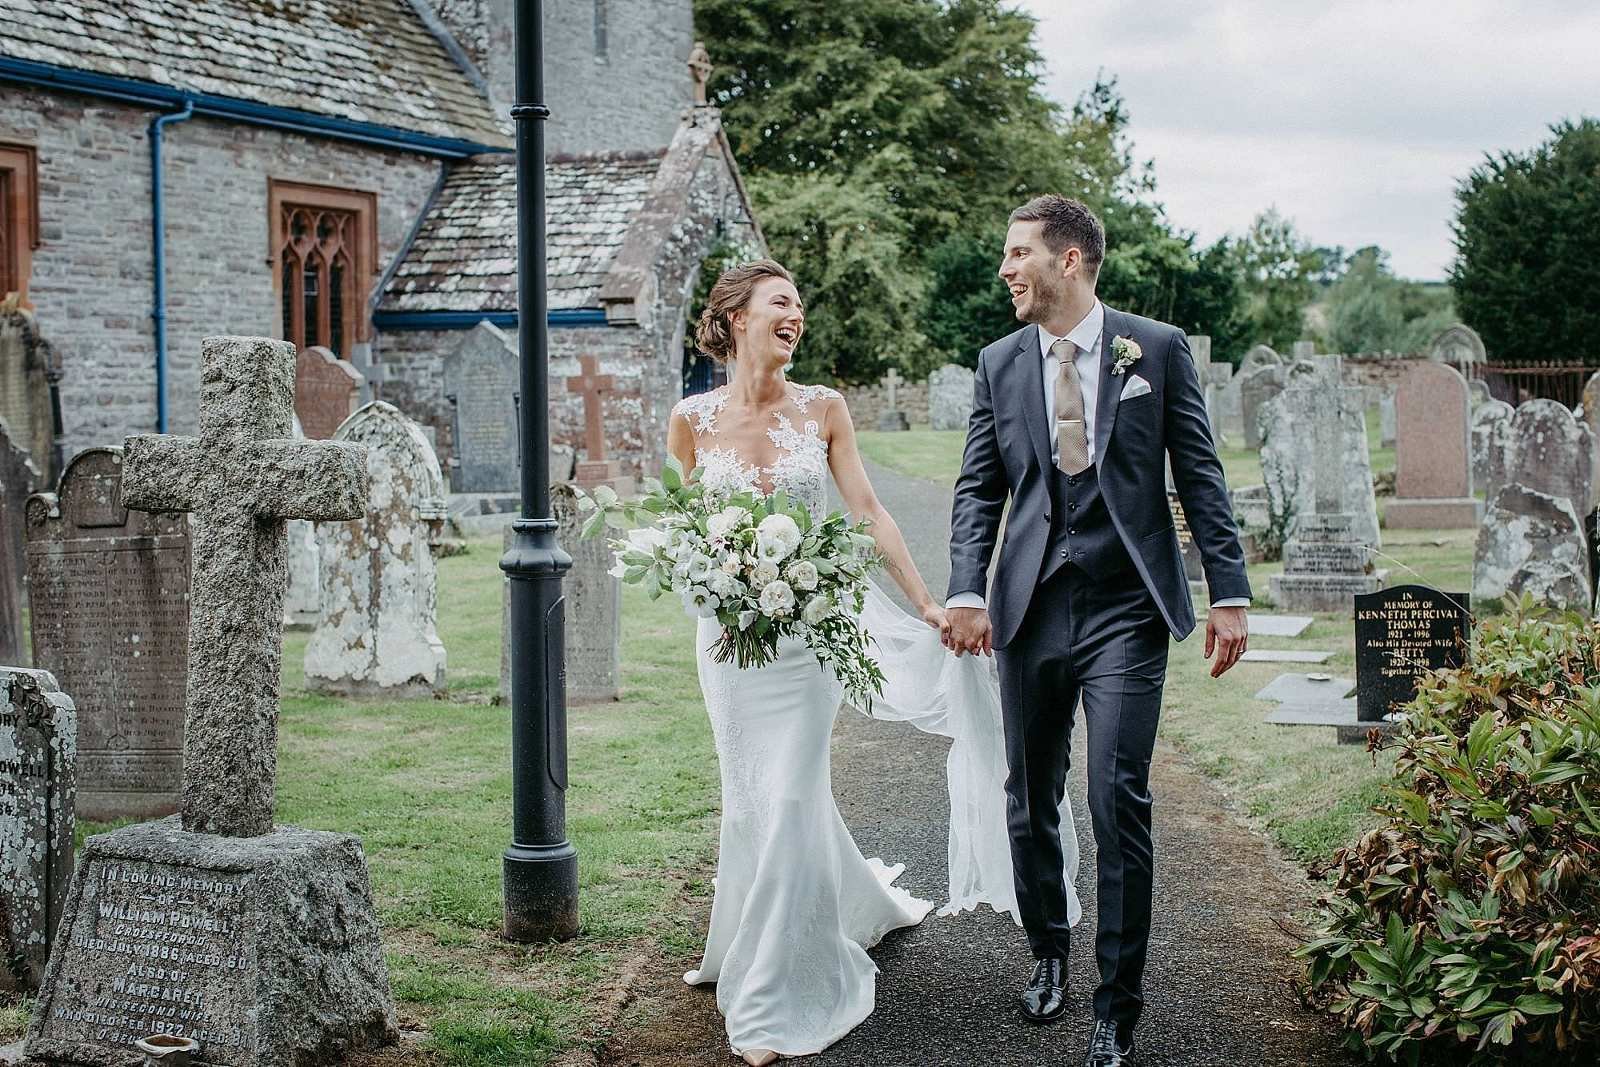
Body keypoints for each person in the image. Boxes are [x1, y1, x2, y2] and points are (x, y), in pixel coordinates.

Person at [668, 259, 1078, 1065]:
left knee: (788, 793)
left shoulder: (823, 409)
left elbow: (868, 512)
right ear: (737, 316)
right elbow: (678, 526)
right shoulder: (689, 418)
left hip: (809, 637)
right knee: (755, 798)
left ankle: (771, 998)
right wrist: (707, 574)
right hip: (728, 646)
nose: (797, 315)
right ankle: (784, 925)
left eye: (800, 304)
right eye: (781, 302)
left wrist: (929, 600)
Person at [943, 194, 1251, 1067]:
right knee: (1030, 790)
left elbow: (1199, 472)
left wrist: (1229, 591)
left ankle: (1117, 1005)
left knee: (1119, 797)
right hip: (1032, 603)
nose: (1005, 269)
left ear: (1068, 259)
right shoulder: (999, 361)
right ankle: (1048, 948)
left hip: (1125, 606)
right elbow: (977, 489)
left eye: (1017, 253)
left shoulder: (1153, 348)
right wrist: (967, 587)